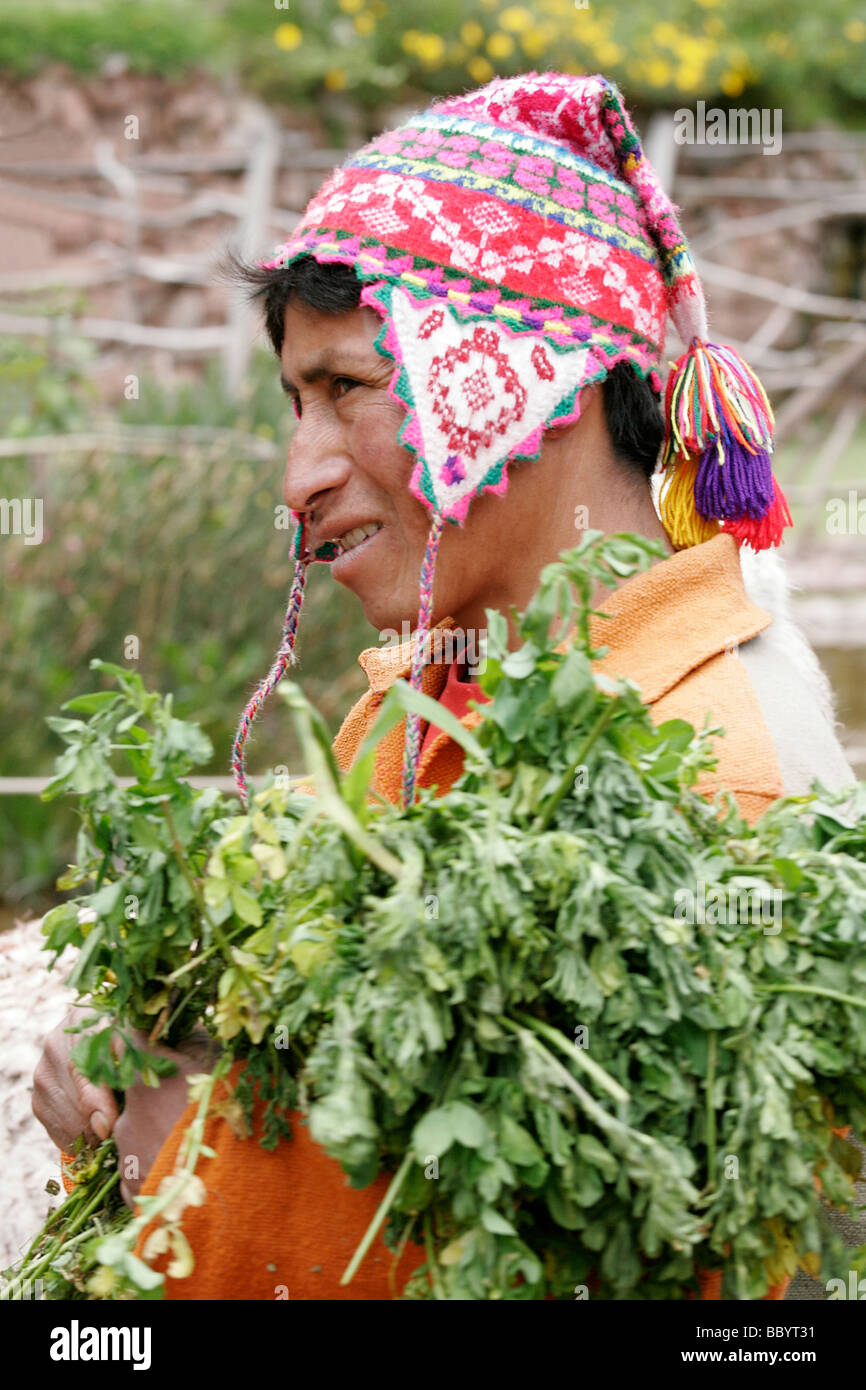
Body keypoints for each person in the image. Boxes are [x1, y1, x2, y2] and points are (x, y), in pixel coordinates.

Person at [33, 72, 855, 1300]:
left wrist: (180, 1155)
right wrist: (121, 1089)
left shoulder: (708, 766)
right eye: (289, 402)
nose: (296, 473)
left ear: (522, 382)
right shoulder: (426, 703)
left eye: (347, 390)